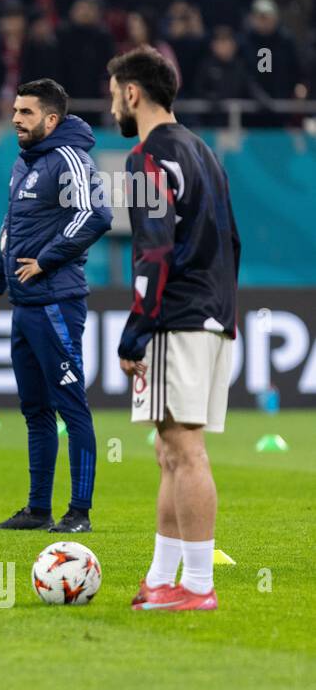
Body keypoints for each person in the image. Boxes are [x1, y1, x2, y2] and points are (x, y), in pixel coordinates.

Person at [109, 46, 241, 612]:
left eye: (114, 92)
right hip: (212, 315)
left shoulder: (145, 159)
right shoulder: (204, 152)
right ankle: (163, 578)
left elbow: (155, 251)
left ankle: (197, 587)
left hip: (176, 317)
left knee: (185, 450)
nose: (112, 103)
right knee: (171, 448)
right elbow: (232, 240)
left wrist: (137, 326)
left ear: (133, 93)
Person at [0, 78, 112, 534]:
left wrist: (48, 260)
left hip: (57, 301)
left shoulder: (72, 159)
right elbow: (9, 228)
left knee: (72, 407)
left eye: (26, 112)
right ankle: (38, 510)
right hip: (24, 304)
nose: (15, 118)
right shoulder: (25, 164)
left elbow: (96, 214)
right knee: (35, 409)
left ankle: (80, 512)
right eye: (15, 110)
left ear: (51, 119)